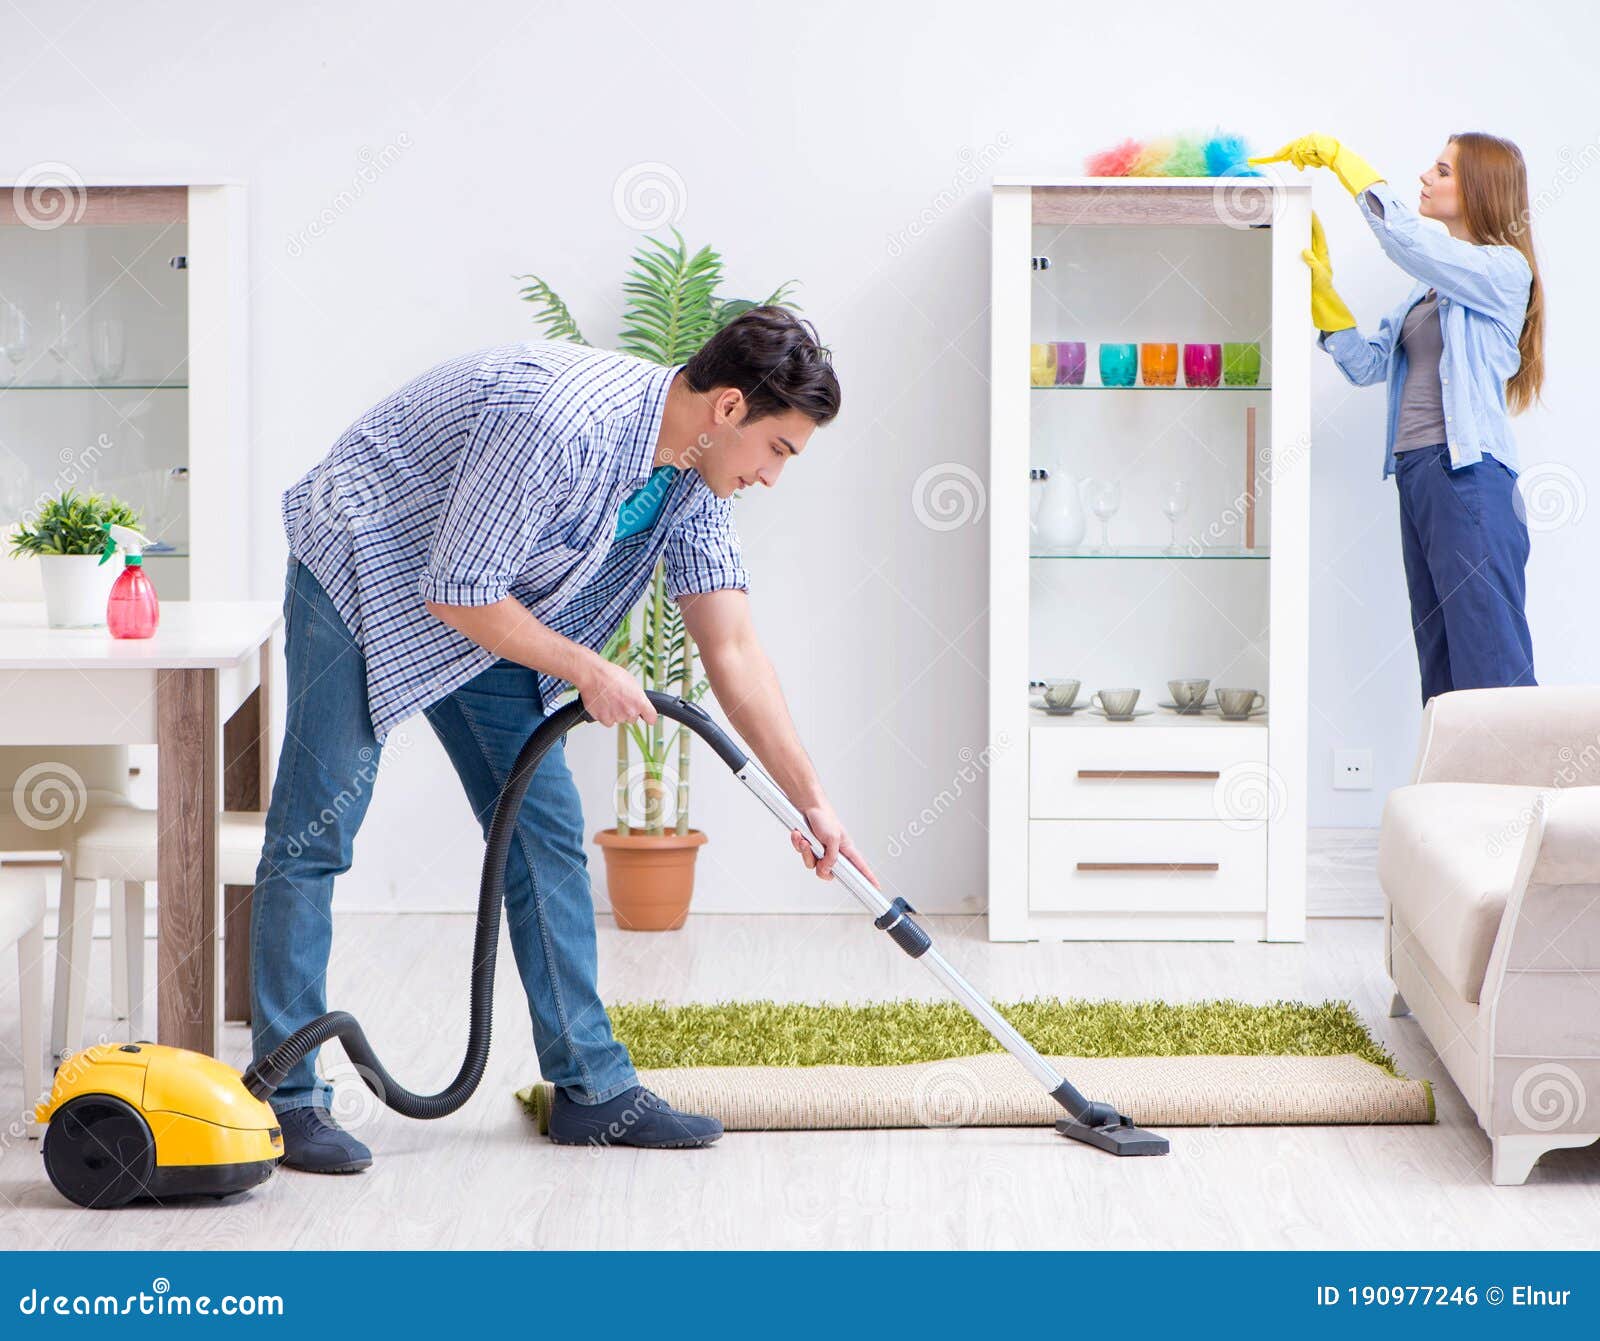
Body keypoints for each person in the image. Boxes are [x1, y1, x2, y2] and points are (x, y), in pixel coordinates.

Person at [250, 307, 880, 1171]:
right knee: (316, 831)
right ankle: (286, 1096)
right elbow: (458, 587)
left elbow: (729, 644)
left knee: (542, 827)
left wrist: (813, 801)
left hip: (488, 600)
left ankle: (591, 1089)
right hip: (366, 559)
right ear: (730, 407)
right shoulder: (561, 422)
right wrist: (587, 666)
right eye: (780, 449)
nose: (775, 476)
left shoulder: (694, 480)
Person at [1251, 132, 1545, 704]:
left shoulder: (1503, 271)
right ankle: (1451, 794)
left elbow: (1405, 240)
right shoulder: (1428, 289)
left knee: (1491, 662)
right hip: (1418, 475)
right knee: (1439, 666)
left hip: (1471, 477)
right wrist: (1324, 293)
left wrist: (1345, 164)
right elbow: (1366, 366)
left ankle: (1521, 794)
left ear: (1480, 188)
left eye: (1441, 171)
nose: (1425, 179)